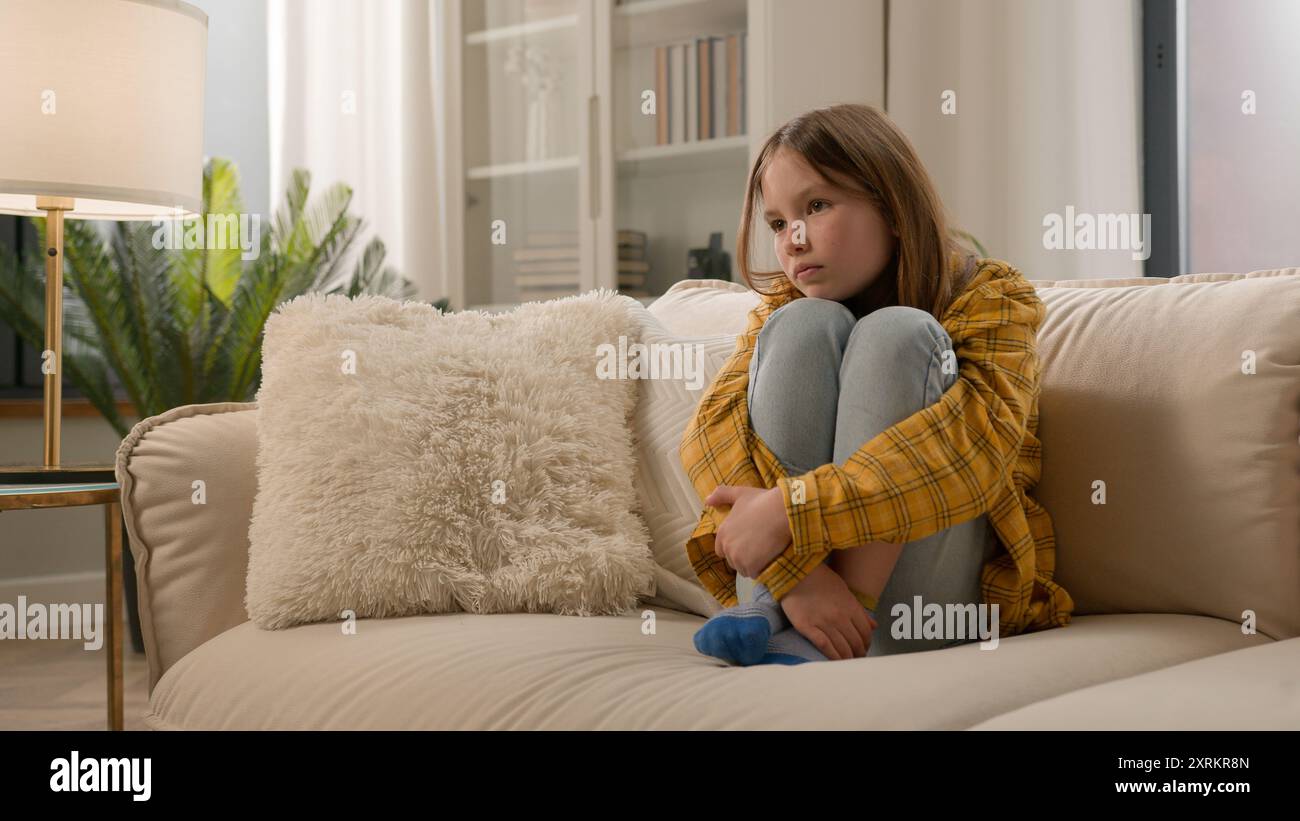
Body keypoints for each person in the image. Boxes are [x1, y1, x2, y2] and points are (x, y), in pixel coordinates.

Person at [678, 103, 1074, 665]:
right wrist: (801, 576)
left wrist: (792, 512)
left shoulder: (992, 297)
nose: (792, 239)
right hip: (790, 595)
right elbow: (711, 434)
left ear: (891, 206)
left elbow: (972, 450)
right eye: (776, 222)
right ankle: (782, 615)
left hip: (930, 605)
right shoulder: (783, 311)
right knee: (803, 324)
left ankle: (835, 625)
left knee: (895, 333)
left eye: (816, 206)